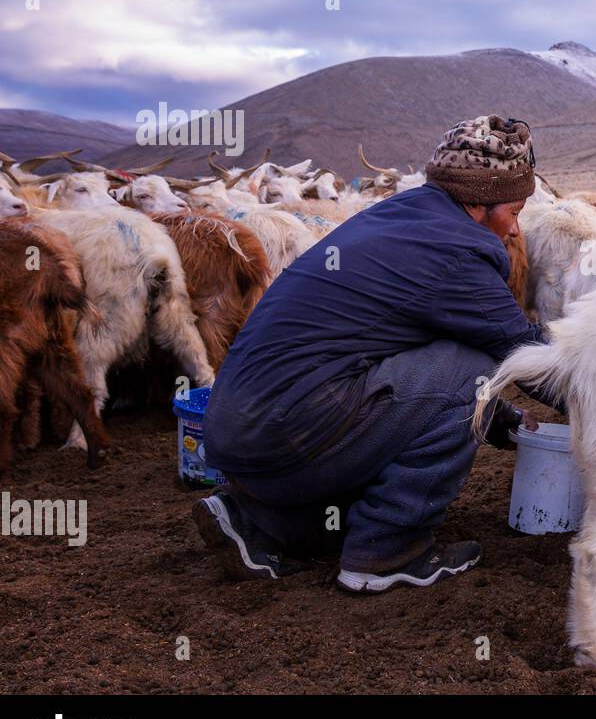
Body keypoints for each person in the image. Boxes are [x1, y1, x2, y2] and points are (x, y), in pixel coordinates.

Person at [192, 115, 558, 592]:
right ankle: (389, 551)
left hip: (240, 435)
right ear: (479, 200)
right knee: (475, 373)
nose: (515, 228)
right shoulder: (458, 251)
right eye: (514, 209)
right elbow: (524, 355)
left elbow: (408, 342)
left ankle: (256, 523)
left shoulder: (402, 217)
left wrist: (501, 419)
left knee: (454, 368)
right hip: (287, 436)